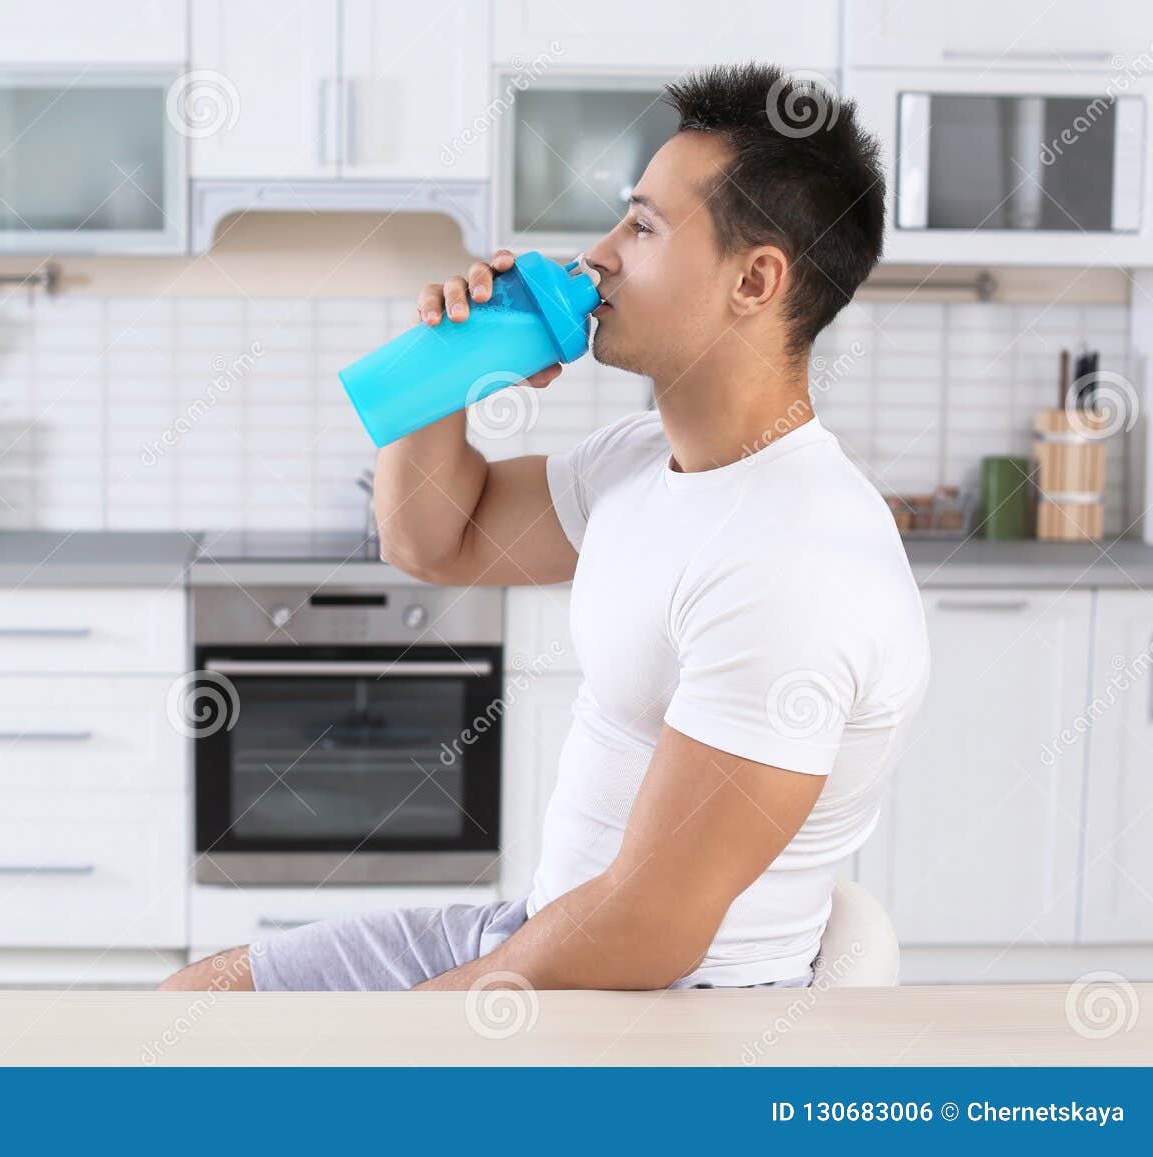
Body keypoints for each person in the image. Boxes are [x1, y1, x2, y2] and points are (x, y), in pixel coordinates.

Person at [161, 61, 929, 995]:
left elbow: (652, 926)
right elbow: (434, 541)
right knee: (201, 1006)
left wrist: (421, 1021)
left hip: (667, 1007)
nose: (598, 254)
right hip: (544, 932)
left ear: (755, 280)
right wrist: (452, 370)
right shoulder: (645, 460)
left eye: (643, 225)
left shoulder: (794, 559)